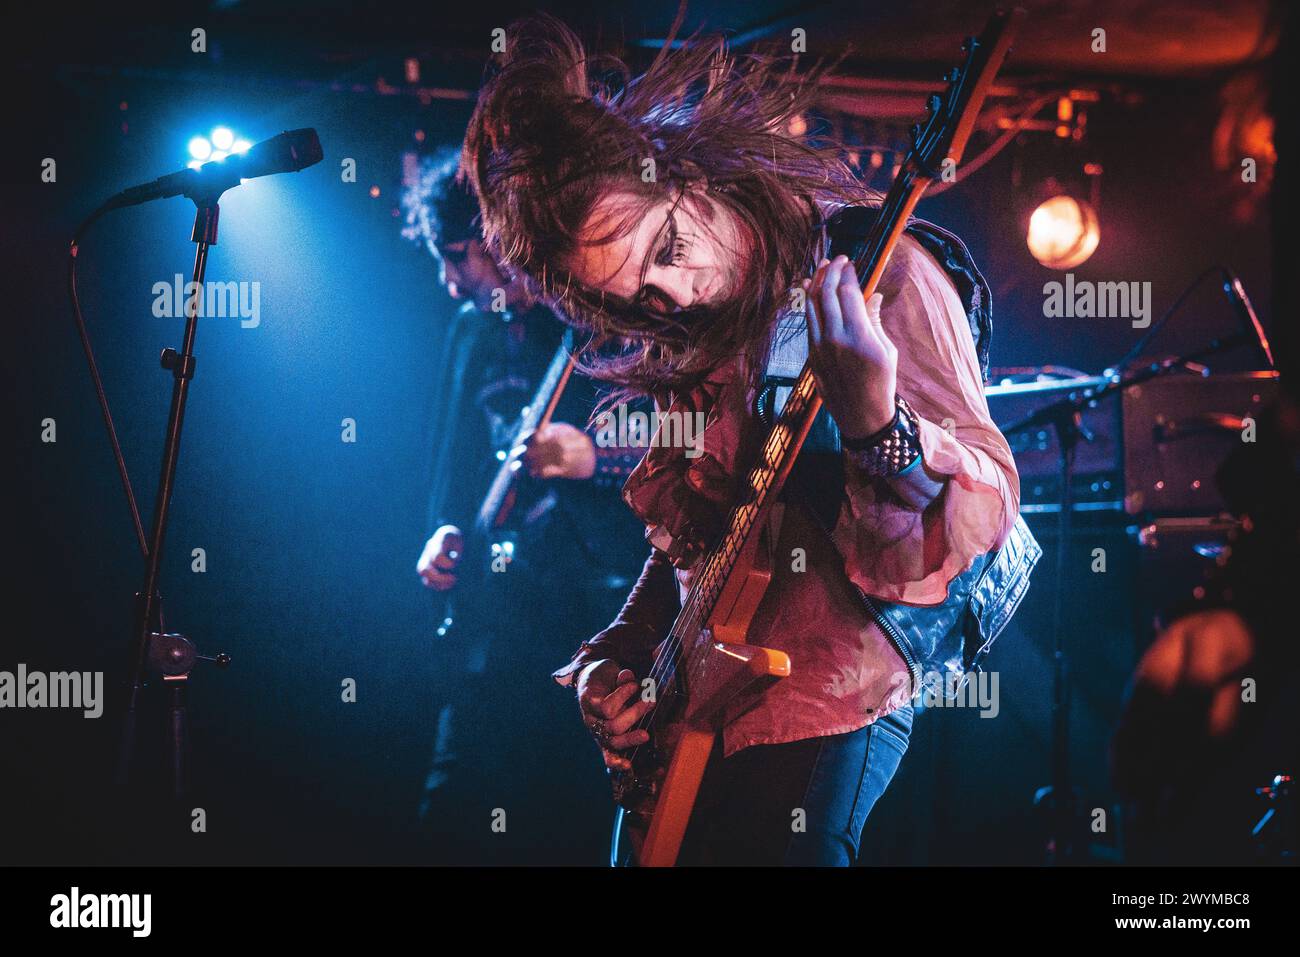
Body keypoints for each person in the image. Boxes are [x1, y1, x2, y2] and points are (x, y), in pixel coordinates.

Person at [461, 15, 1037, 864]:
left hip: (825, 698)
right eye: (641, 294)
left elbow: (990, 501)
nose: (675, 291)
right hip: (697, 715)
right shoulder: (708, 335)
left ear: (686, 178)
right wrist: (611, 664)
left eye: (669, 246)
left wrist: (879, 424)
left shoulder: (890, 274)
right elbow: (704, 541)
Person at [401, 147, 647, 862]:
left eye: (460, 257)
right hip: (491, 621)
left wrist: (597, 458)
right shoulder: (471, 329)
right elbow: (452, 457)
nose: (452, 283)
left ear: (506, 242)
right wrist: (442, 533)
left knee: (564, 824)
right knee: (450, 816)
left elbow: (689, 447)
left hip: (590, 619)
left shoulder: (601, 321)